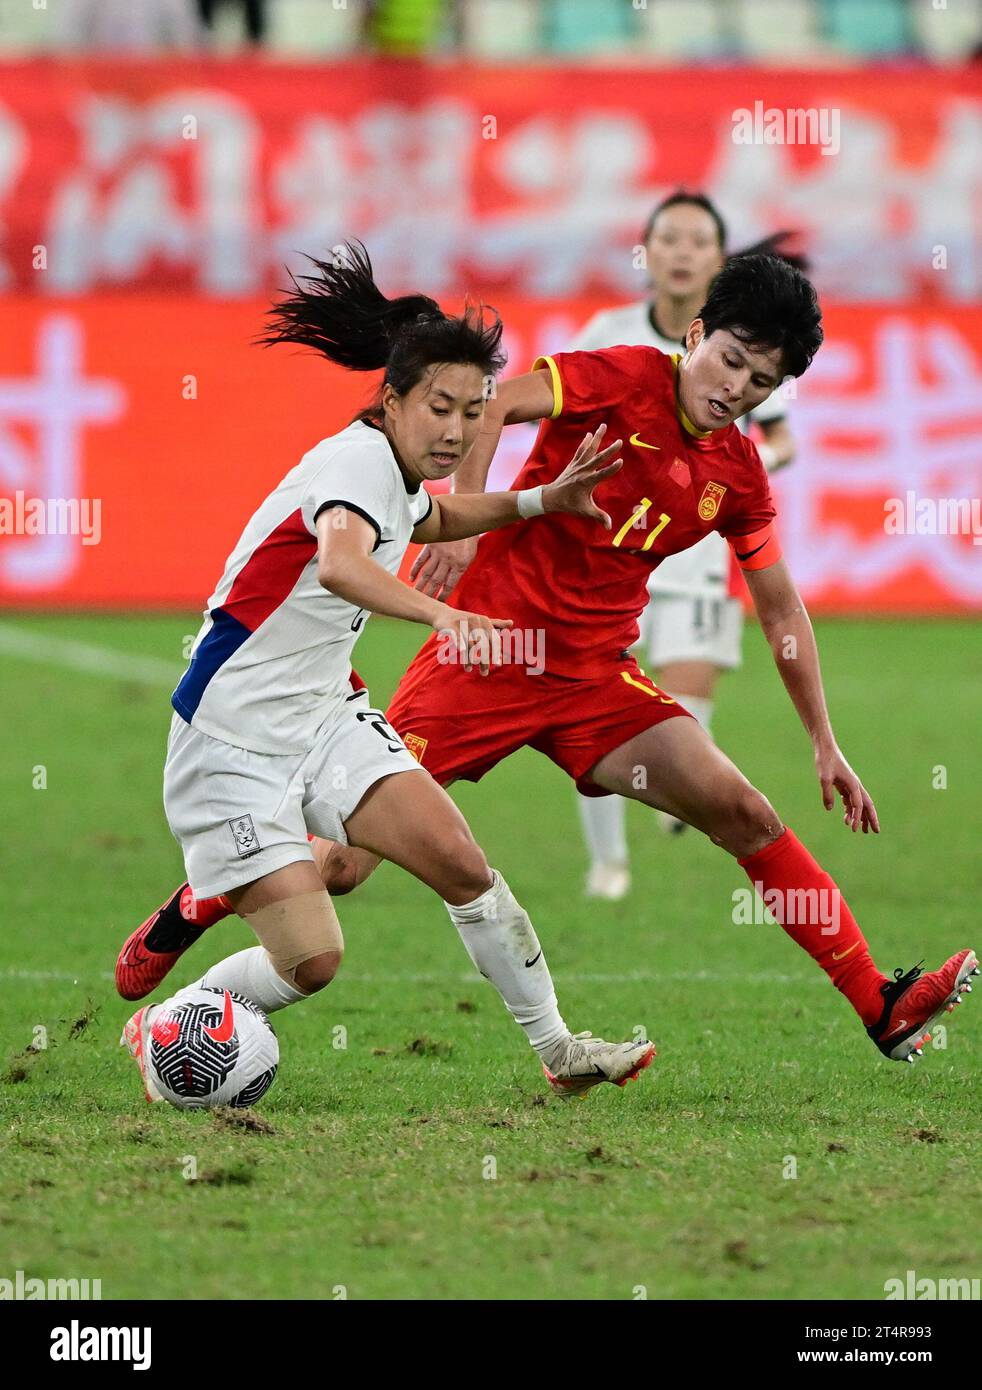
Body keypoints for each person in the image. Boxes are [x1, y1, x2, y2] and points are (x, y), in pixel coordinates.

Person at [118, 252, 976, 1067]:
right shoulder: (617, 377)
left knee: (742, 810)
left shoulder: (739, 472)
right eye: (731, 359)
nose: (736, 389)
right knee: (338, 869)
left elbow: (781, 606)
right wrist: (458, 521)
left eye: (762, 381)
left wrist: (825, 741)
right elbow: (491, 403)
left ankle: (880, 1004)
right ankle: (202, 900)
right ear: (696, 335)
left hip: (594, 679)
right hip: (481, 655)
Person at [119, 242, 654, 1102]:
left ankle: (560, 1051)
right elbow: (339, 563)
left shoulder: (396, 470)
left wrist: (539, 501)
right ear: (393, 399)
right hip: (231, 739)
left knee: (460, 862)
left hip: (324, 717)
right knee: (313, 961)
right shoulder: (356, 463)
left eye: (476, 412)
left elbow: (429, 521)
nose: (458, 430)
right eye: (441, 407)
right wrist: (443, 614)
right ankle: (174, 993)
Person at [567, 192, 800, 898]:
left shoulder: (748, 347)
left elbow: (780, 439)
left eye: (697, 241)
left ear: (718, 258)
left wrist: (737, 483)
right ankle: (609, 863)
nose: (680, 252)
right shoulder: (609, 330)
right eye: (667, 238)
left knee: (689, 694)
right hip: (608, 545)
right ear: (646, 250)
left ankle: (679, 782)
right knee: (590, 708)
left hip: (693, 542)